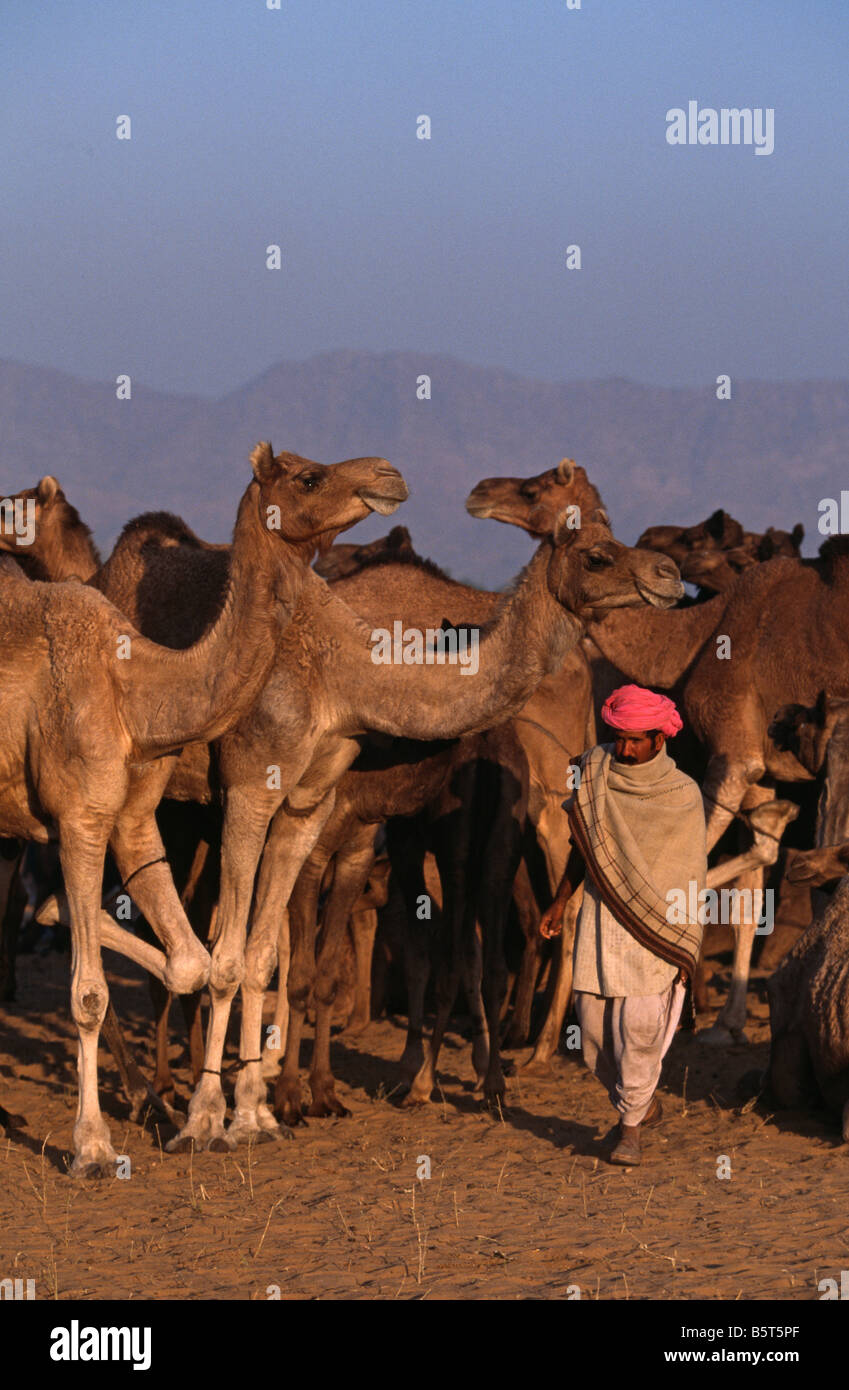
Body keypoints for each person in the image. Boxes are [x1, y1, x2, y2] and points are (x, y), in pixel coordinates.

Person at [539, 683, 706, 1165]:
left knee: (637, 1029)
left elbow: (687, 869)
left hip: (657, 930)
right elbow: (582, 847)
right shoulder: (593, 774)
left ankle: (629, 1130)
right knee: (591, 1033)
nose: (626, 749)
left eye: (636, 739)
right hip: (601, 918)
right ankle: (642, 1100)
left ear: (659, 738)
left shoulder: (683, 794)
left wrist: (682, 937)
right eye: (620, 738)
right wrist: (559, 901)